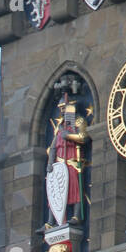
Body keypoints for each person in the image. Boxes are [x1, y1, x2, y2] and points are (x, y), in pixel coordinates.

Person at [46, 95, 88, 224]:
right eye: (61, 108)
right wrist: (50, 163)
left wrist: (68, 136)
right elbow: (53, 147)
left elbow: (83, 137)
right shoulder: (60, 126)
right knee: (55, 192)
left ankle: (76, 216)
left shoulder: (79, 121)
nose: (62, 111)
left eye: (64, 108)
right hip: (59, 163)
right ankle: (50, 221)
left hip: (72, 162)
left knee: (75, 190)